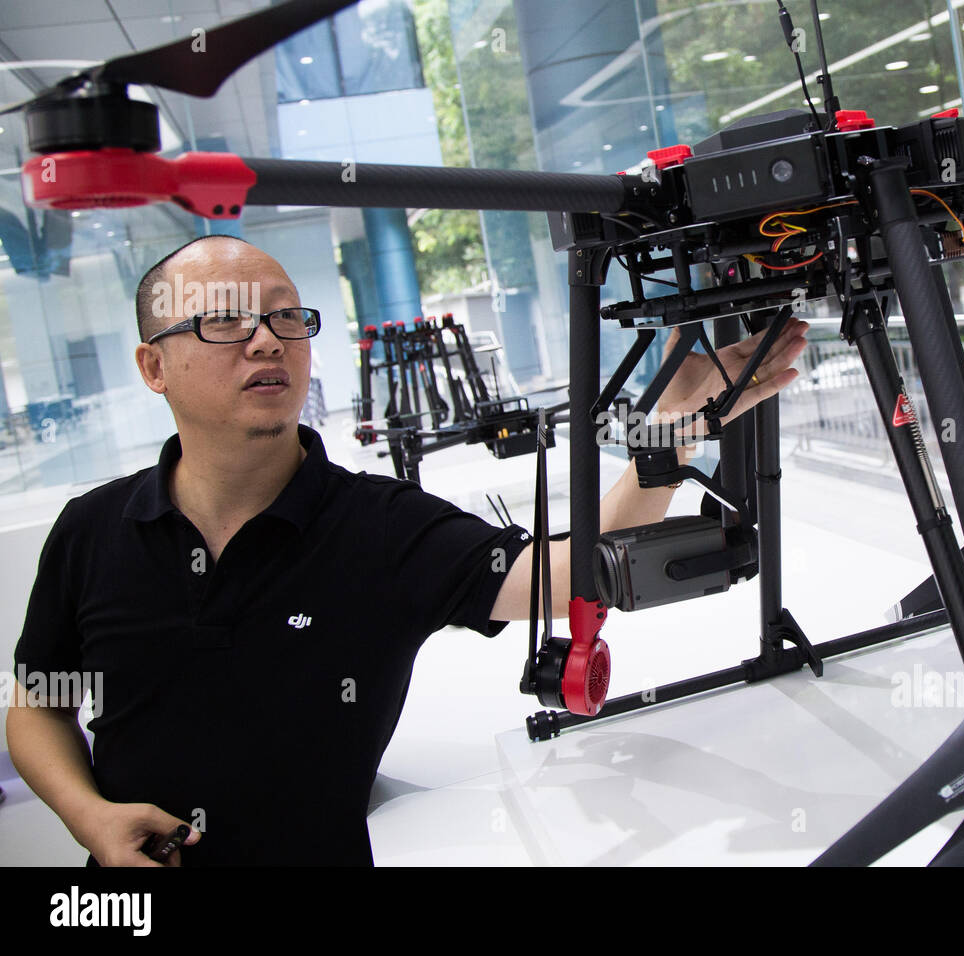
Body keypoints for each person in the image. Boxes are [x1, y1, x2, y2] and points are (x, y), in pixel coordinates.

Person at [6, 235, 808, 866]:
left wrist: (662, 441)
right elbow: (40, 702)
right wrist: (94, 819)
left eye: (288, 317)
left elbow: (563, 578)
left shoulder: (377, 529)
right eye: (225, 320)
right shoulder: (89, 530)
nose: (266, 341)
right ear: (154, 367)